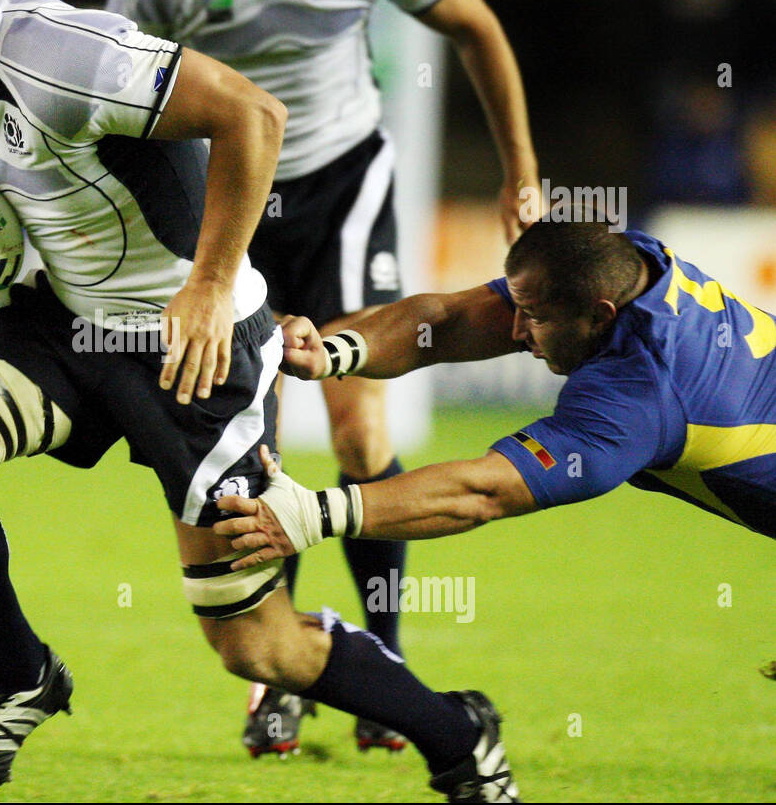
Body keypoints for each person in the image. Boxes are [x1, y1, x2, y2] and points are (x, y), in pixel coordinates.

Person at [0, 0, 518, 803]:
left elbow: (253, 114)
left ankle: (458, 735)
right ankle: (20, 674)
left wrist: (211, 281)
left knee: (256, 647)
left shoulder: (66, 54)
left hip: (195, 348)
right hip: (63, 322)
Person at [108, 0, 542, 756]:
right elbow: (116, 102)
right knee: (248, 443)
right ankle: (282, 675)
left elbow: (478, 28)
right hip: (230, 199)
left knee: (355, 432)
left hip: (346, 188)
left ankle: (383, 666)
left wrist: (520, 171)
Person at [214, 218, 776, 566]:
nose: (514, 331)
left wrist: (316, 514)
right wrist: (337, 352)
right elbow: (450, 320)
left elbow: (484, 492)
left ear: (600, 315)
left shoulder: (638, 395)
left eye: (531, 317)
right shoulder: (628, 264)